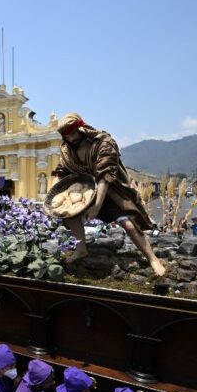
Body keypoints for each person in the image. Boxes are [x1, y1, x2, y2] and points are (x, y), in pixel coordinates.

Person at [53, 113, 166, 277]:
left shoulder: (104, 143)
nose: (70, 139)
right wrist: (55, 188)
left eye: (72, 134)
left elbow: (104, 176)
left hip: (111, 191)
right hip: (85, 189)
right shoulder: (67, 148)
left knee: (128, 223)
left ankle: (152, 258)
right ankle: (81, 249)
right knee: (71, 215)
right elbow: (61, 169)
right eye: (66, 136)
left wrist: (97, 207)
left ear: (80, 129)